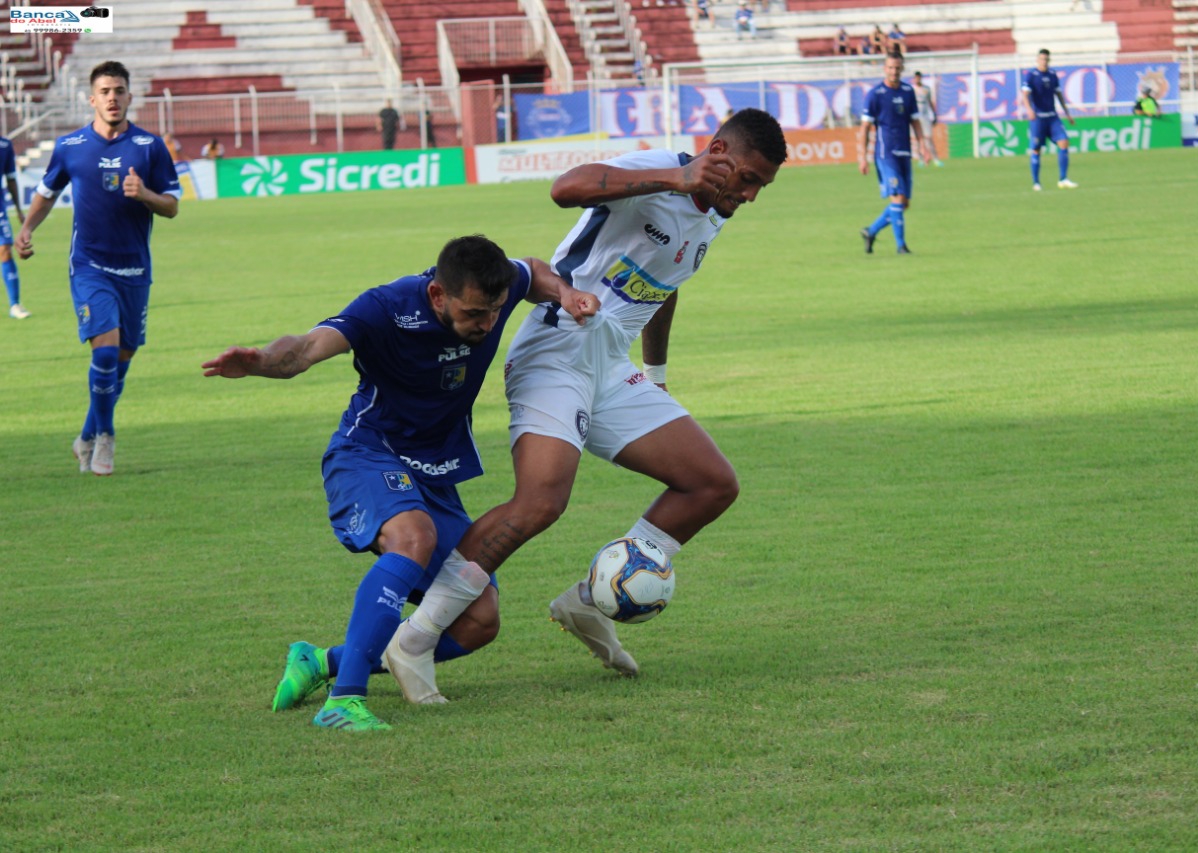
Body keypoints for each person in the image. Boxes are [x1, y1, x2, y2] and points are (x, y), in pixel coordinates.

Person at [381, 108, 787, 701]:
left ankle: (588, 602)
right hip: (555, 347)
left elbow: (663, 287)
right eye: (747, 178)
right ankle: (413, 641)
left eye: (761, 187)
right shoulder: (662, 169)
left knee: (711, 483)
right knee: (541, 501)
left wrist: (657, 373)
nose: (749, 195)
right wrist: (676, 179)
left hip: (610, 364)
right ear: (718, 150)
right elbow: (564, 188)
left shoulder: (713, 214)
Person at [202, 235, 600, 731]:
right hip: (368, 453)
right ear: (438, 295)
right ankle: (344, 702)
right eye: (475, 313)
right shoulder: (384, 308)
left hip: (434, 473)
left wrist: (563, 292)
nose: (488, 324)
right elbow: (305, 349)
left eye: (496, 311)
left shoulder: (498, 285)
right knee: (414, 537)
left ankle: (321, 662)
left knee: (479, 621)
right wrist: (263, 361)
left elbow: (532, 271)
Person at [16, 60, 180, 477]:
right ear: (92, 99)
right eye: (105, 91)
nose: (112, 97)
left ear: (129, 96)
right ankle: (106, 437)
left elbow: (172, 206)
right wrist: (27, 229)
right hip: (89, 266)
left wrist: (143, 193)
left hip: (135, 270)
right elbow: (46, 192)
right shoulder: (71, 146)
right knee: (105, 351)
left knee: (120, 363)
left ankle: (86, 436)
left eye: (119, 90)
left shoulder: (150, 146)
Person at [858, 53, 930, 255]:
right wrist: (862, 156)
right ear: (885, 68)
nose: (894, 71)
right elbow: (865, 128)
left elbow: (915, 121)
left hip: (904, 153)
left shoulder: (908, 92)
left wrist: (923, 146)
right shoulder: (875, 94)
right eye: (890, 68)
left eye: (897, 68)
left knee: (904, 203)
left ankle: (870, 231)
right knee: (897, 199)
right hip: (885, 154)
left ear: (902, 68)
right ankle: (901, 246)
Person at [1021, 48, 1077, 191]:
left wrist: (1067, 113)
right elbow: (1025, 94)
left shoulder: (1053, 75)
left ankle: (1063, 179)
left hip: (1052, 117)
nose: (1044, 62)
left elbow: (1059, 95)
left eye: (1046, 59)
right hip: (1038, 118)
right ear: (1037, 60)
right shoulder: (1031, 75)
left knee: (1064, 142)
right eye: (1041, 59)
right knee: (1036, 149)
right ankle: (1036, 182)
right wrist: (1029, 109)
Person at [0, 135, 28, 319]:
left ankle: (15, 305)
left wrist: (18, 209)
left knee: (5, 250)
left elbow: (11, 179)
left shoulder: (4, 145)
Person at [912, 70, 943, 166]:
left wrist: (934, 114)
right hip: (915, 118)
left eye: (919, 77)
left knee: (928, 138)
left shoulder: (926, 89)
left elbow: (930, 102)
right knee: (918, 139)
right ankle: (921, 159)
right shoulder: (911, 90)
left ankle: (936, 159)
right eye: (916, 78)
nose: (917, 79)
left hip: (925, 117)